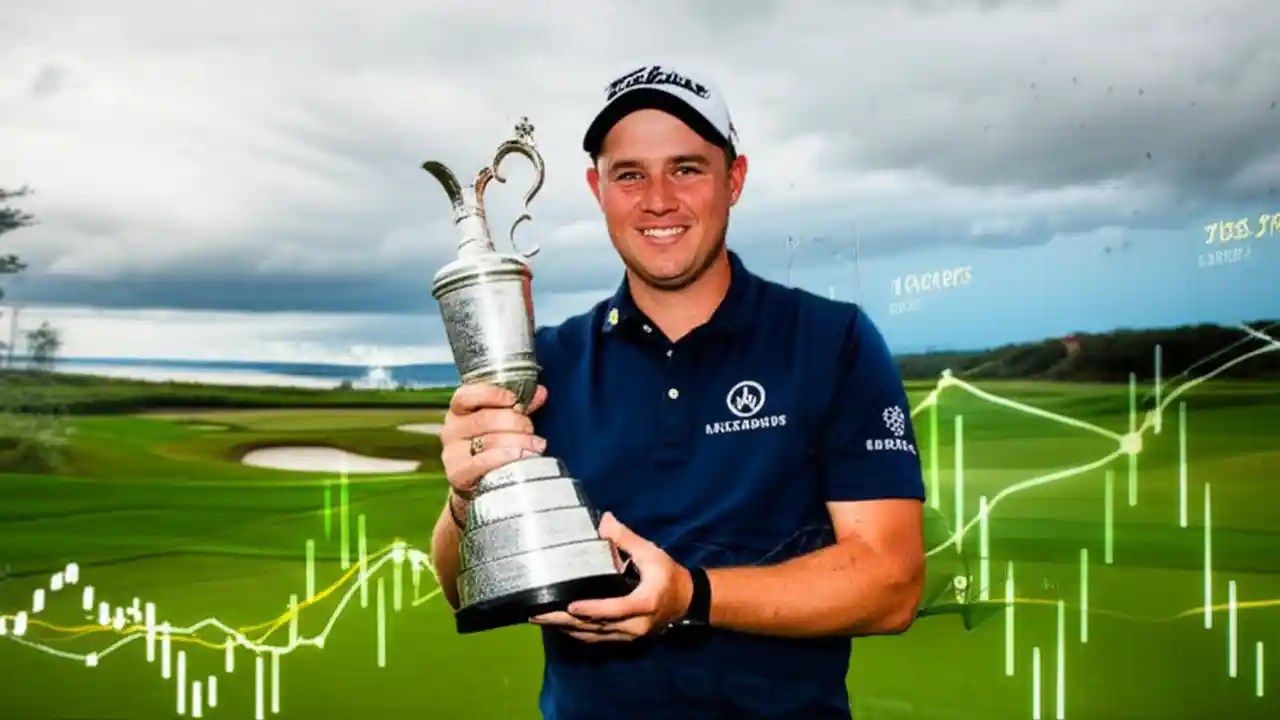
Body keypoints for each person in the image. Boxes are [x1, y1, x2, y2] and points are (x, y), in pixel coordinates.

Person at [430, 63, 926, 719]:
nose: (658, 198)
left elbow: (891, 583)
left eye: (686, 168)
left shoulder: (833, 342)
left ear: (735, 179)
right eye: (629, 173)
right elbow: (462, 590)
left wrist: (688, 596)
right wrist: (466, 497)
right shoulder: (546, 361)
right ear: (596, 189)